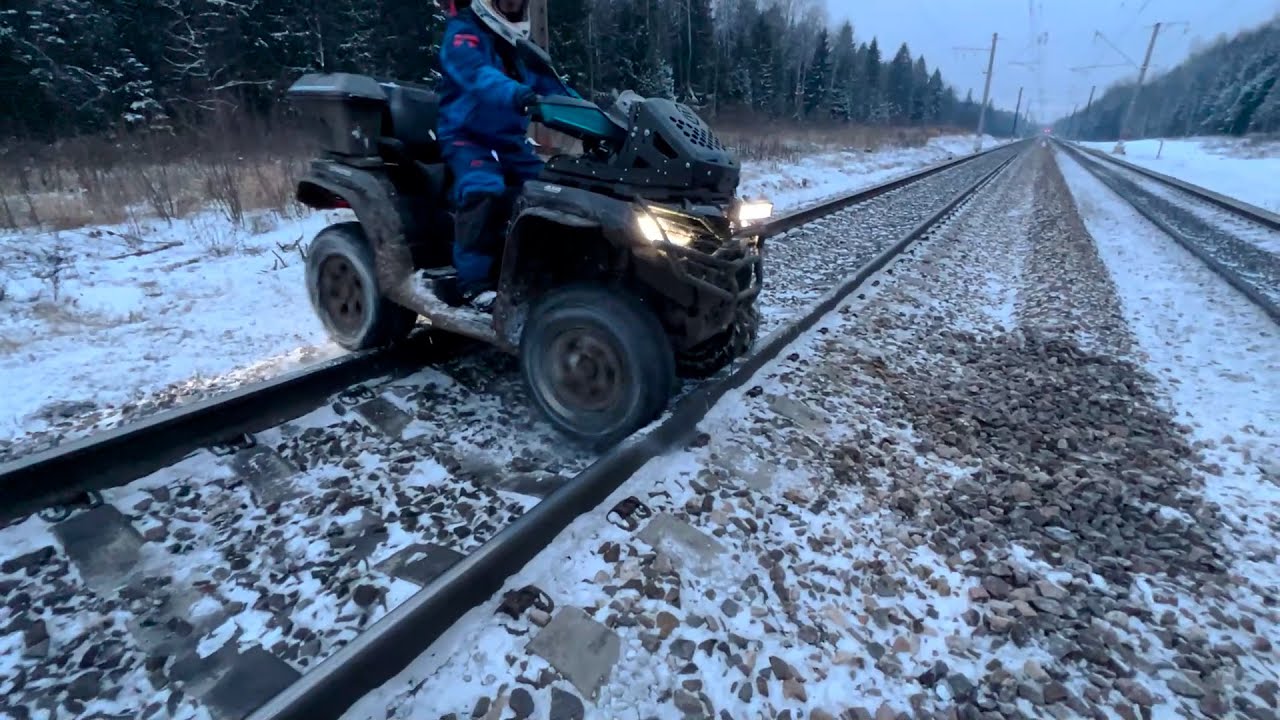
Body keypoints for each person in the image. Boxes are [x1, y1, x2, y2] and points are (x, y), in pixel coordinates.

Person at [433, 0, 580, 310]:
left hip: (509, 143)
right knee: (483, 186)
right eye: (507, 0)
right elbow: (476, 74)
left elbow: (555, 88)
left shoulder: (519, 49)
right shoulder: (464, 34)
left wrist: (595, 117)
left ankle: (538, 268)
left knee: (551, 188)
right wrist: (517, 93)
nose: (513, 7)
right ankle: (473, 283)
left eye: (519, 1)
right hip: (466, 137)